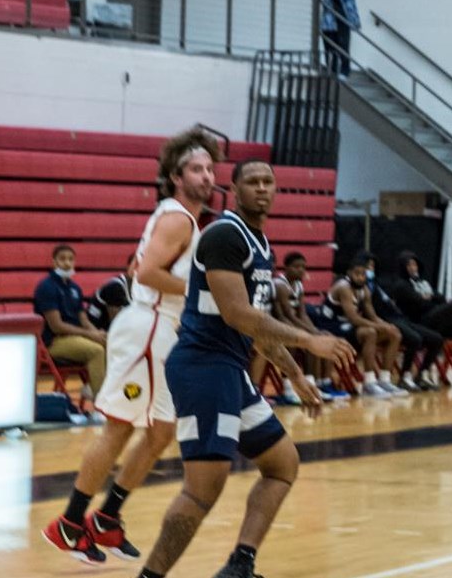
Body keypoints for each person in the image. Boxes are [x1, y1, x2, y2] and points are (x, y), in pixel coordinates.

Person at [133, 160, 355, 578]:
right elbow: (238, 315)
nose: (262, 188)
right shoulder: (223, 236)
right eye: (252, 182)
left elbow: (255, 325)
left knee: (282, 464)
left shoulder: (259, 243)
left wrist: (293, 373)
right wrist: (309, 340)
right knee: (203, 488)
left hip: (229, 368)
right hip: (202, 367)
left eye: (268, 181)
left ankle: (240, 564)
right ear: (234, 188)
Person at [45, 128, 220, 565]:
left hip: (165, 329)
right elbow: (144, 275)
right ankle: (69, 523)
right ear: (177, 177)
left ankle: (107, 517)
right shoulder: (178, 217)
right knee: (120, 428)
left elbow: (140, 265)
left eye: (210, 169)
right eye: (197, 169)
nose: (207, 176)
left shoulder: (188, 219)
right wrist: (203, 290)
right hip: (149, 327)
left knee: (161, 432)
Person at [391, 249, 452, 393]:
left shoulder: (423, 282)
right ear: (403, 267)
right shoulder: (401, 285)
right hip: (419, 322)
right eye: (409, 265)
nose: (412, 268)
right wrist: (429, 298)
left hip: (435, 319)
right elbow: (420, 303)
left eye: (414, 265)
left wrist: (429, 297)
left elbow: (439, 297)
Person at [314, 255, 404, 398]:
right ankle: (369, 383)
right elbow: (354, 318)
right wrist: (379, 327)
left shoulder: (365, 290)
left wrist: (387, 326)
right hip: (331, 326)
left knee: (395, 334)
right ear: (349, 273)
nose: (361, 278)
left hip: (347, 327)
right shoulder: (343, 287)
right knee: (370, 333)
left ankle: (384, 380)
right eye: (357, 274)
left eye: (363, 274)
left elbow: (372, 315)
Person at [34, 245, 110, 398]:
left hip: (75, 338)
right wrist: (89, 335)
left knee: (111, 342)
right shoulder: (46, 287)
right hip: (54, 342)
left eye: (70, 259)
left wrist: (96, 332)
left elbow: (83, 319)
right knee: (96, 351)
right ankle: (102, 404)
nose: (67, 263)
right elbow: (57, 326)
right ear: (54, 262)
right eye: (62, 259)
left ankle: (92, 386)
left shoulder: (75, 288)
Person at [272, 253, 346, 401]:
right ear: (286, 268)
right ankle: (288, 389)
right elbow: (287, 316)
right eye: (297, 267)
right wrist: (309, 333)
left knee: (316, 341)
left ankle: (315, 385)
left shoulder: (298, 285)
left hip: (291, 324)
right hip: (277, 324)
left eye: (303, 267)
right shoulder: (280, 285)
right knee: (295, 342)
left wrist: (314, 332)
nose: (301, 270)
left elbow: (302, 314)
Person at [364, 256, 443, 392]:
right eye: (367, 266)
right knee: (414, 339)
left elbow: (439, 297)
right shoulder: (363, 288)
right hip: (385, 321)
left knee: (436, 339)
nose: (370, 270)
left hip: (401, 318)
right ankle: (404, 377)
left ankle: (422, 375)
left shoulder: (377, 285)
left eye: (372, 266)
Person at [315, 0, 360, 77]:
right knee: (329, 45)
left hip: (344, 15)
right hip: (329, 16)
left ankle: (344, 71)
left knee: (344, 44)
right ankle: (333, 69)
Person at [84, 256, 134, 334]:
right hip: (97, 329)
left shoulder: (140, 288)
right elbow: (115, 323)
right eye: (136, 265)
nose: (138, 269)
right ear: (128, 266)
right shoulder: (115, 286)